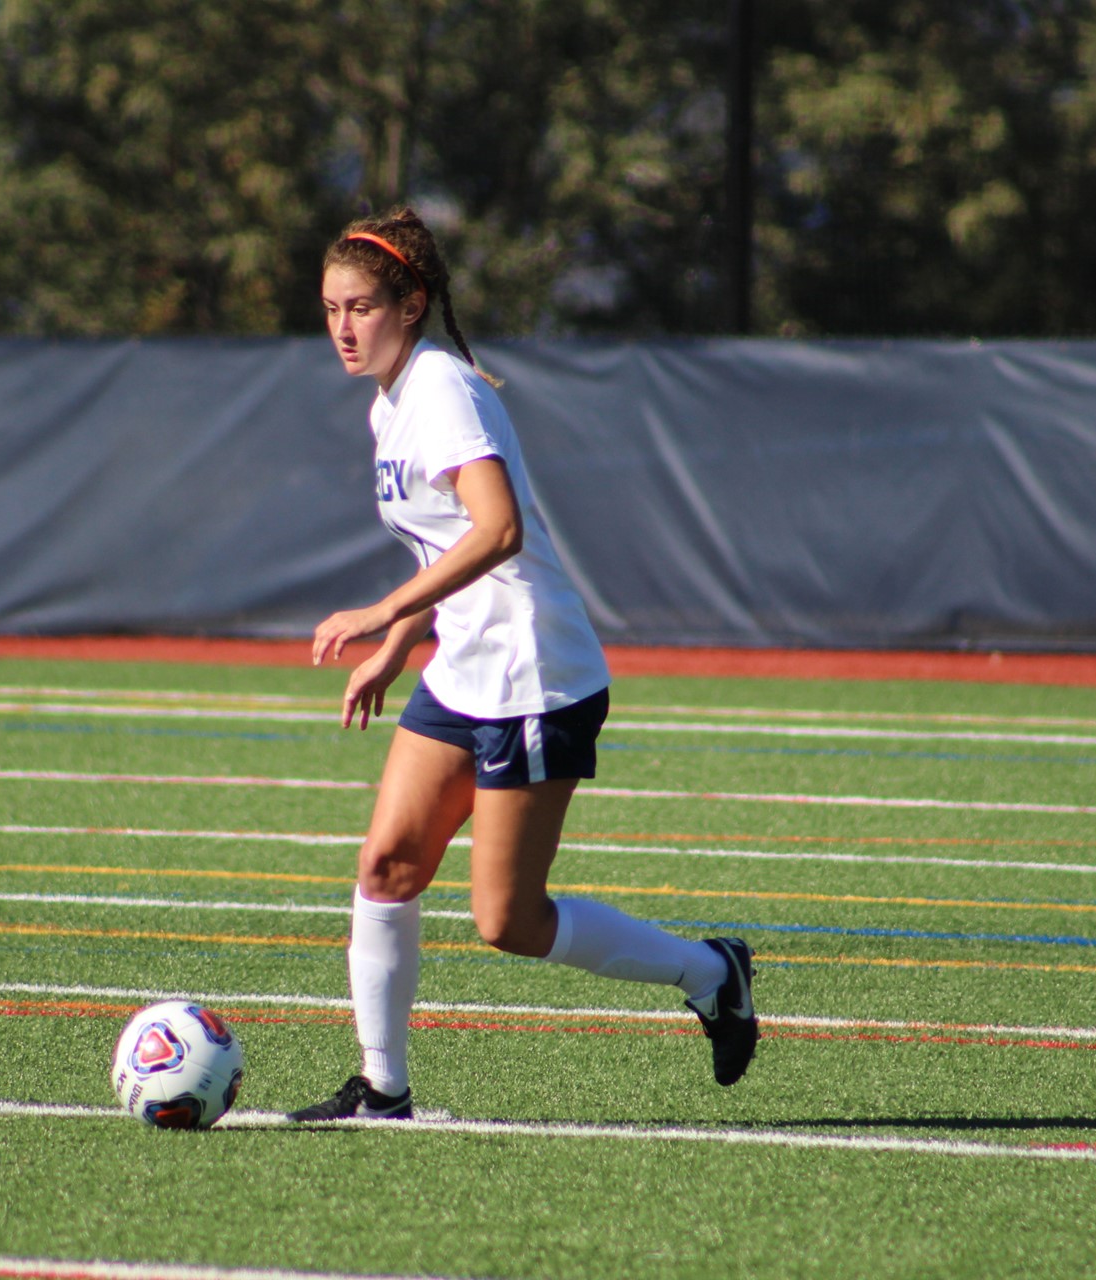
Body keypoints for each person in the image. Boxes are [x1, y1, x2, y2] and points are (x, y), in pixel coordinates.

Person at [286, 207, 758, 1123]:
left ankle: (711, 972)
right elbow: (444, 546)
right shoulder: (390, 402)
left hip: (533, 676)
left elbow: (498, 530)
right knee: (386, 865)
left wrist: (380, 611)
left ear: (411, 306)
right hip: (463, 668)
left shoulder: (441, 390)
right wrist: (398, 646)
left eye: (362, 308)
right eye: (332, 308)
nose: (343, 327)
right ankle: (382, 1088)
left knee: (508, 920)